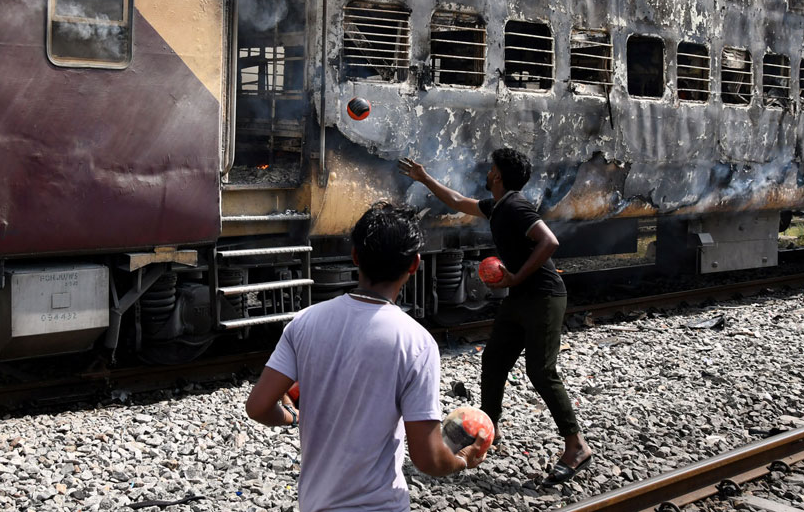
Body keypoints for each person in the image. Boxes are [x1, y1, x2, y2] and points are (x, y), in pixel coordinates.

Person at [245, 202, 489, 512]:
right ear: (414, 265)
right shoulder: (416, 343)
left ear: (355, 256)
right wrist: (461, 461)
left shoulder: (305, 321)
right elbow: (427, 459)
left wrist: (293, 416)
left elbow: (258, 407)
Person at [398, 148, 593, 486]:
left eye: (491, 169)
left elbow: (549, 242)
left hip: (544, 296)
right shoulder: (498, 206)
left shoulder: (516, 206)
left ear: (498, 176)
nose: (487, 174)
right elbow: (458, 201)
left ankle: (576, 446)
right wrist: (425, 178)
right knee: (494, 360)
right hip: (521, 298)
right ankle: (489, 429)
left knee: (541, 371)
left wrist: (516, 277)